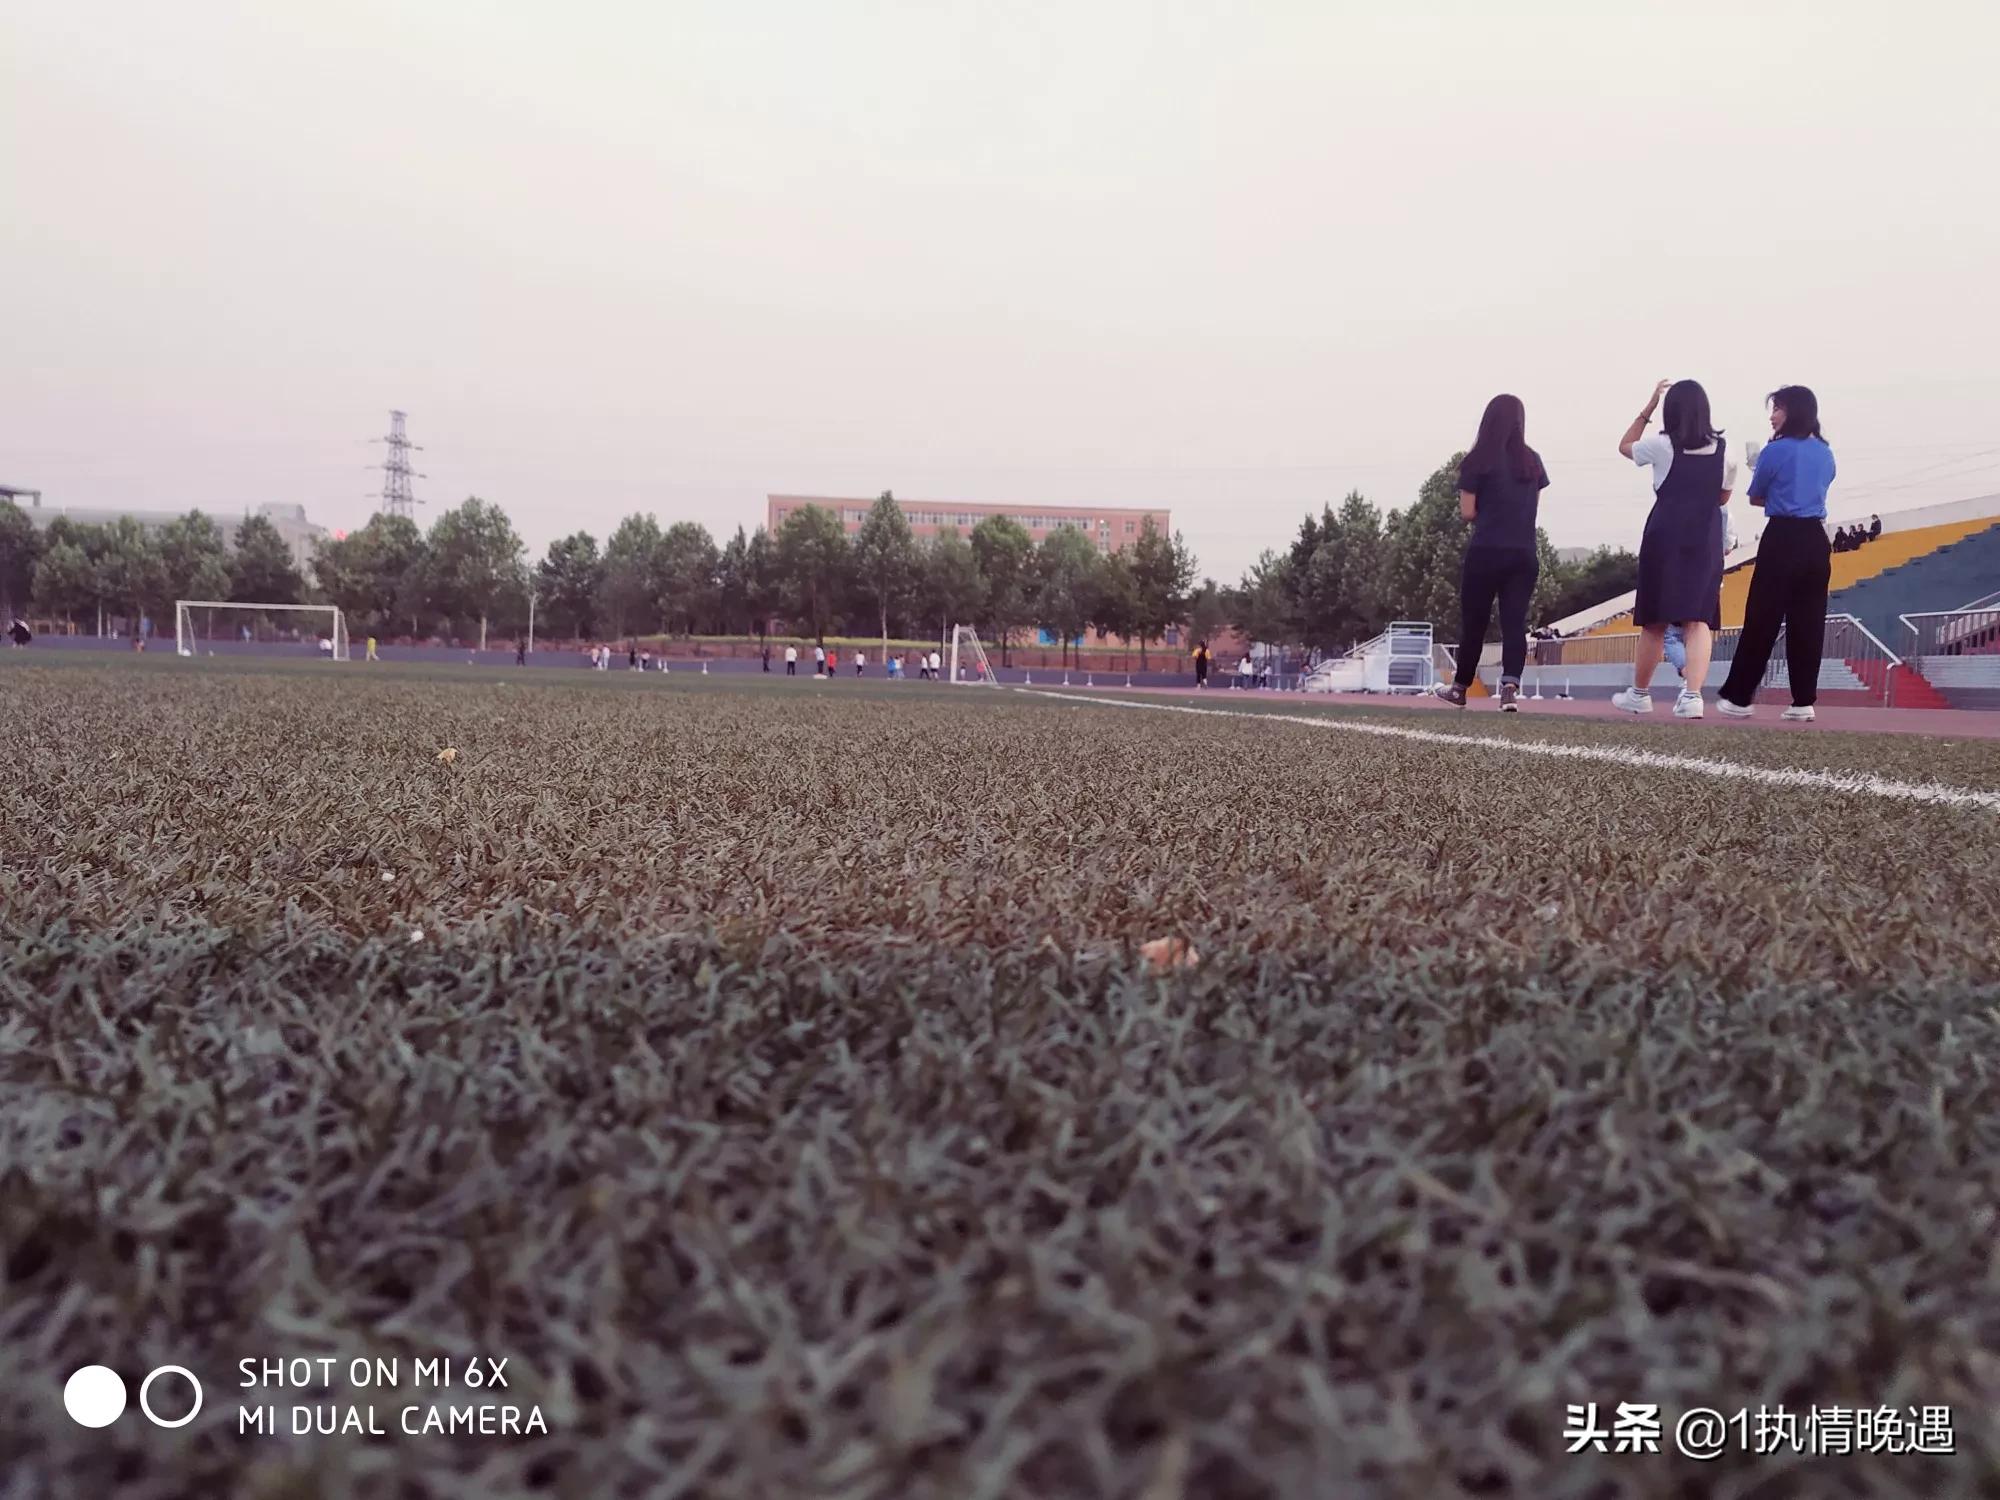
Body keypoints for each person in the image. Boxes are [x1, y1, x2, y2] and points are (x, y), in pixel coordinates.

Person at [1610, 379, 1733, 720]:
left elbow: (1625, 445)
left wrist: (1647, 408)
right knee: (1698, 619)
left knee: (1655, 620)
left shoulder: (1661, 445)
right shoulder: (1727, 451)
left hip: (1665, 536)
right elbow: (1723, 497)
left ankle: (1639, 694)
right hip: (1705, 537)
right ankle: (1693, 696)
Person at [1717, 385, 1836, 722]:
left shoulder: (1775, 450)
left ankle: (1739, 696)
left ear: (1793, 411)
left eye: (1777, 409)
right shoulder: (1826, 453)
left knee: (1762, 617)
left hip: (1782, 535)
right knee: (1808, 622)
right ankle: (1803, 702)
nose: (1772, 416)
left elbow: (1756, 497)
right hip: (1815, 538)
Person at [1433, 393, 1550, 712]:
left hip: (1486, 549)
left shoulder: (1477, 460)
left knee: (1475, 622)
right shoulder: (1532, 460)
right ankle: (1510, 689)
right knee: (1514, 621)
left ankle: (1459, 689)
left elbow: (1467, 512)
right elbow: (1532, 508)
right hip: (1523, 552)